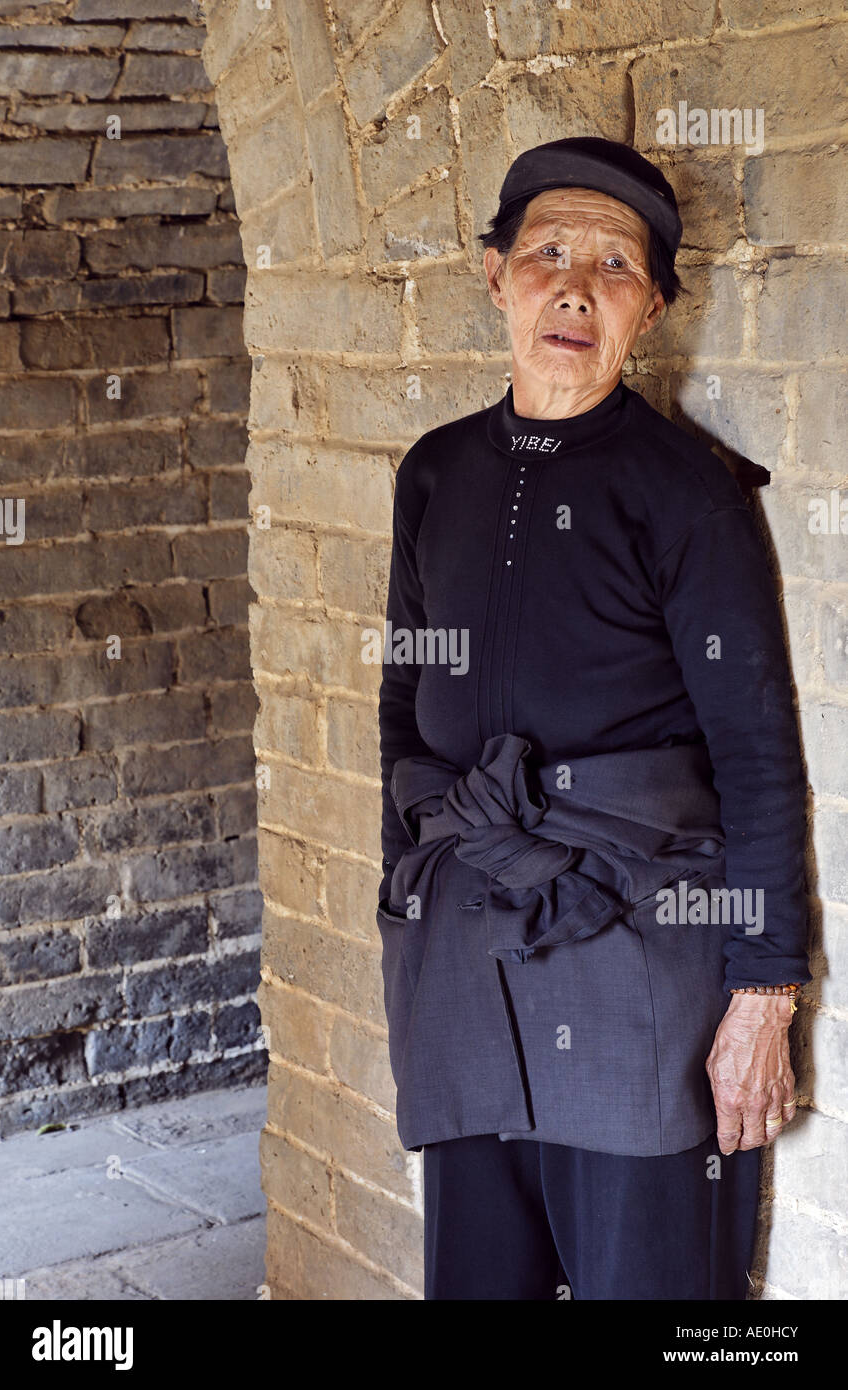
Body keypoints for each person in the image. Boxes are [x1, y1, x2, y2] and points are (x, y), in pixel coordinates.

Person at [376, 137, 811, 1300]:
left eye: (614, 265)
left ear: (651, 307)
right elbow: (400, 701)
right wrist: (406, 899)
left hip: (634, 950)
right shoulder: (430, 475)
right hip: (465, 954)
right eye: (546, 253)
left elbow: (757, 756)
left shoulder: (682, 493)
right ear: (494, 276)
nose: (574, 285)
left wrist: (764, 994)